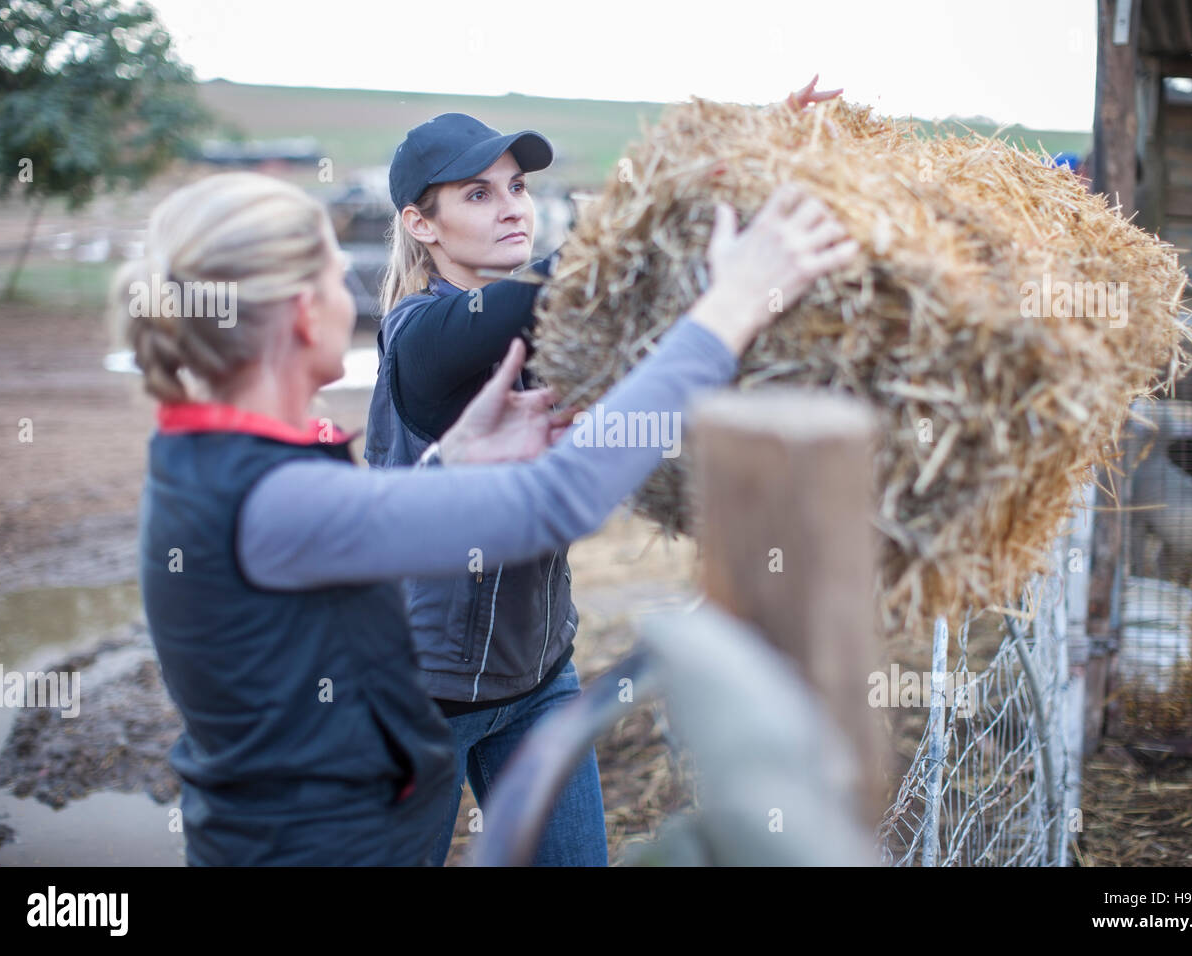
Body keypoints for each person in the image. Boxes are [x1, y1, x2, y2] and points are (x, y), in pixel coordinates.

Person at [123, 170, 857, 865]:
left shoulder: (210, 456)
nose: (351, 288)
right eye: (331, 271)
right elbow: (557, 500)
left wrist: (455, 460)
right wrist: (730, 309)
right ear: (304, 313)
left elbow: (357, 534)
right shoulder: (267, 495)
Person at [369, 75, 845, 866]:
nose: (513, 206)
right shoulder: (421, 339)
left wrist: (743, 162)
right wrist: (669, 182)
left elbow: (645, 298)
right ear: (421, 224)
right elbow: (557, 280)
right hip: (420, 696)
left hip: (537, 681)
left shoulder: (548, 332)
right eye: (478, 196)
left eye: (517, 188)